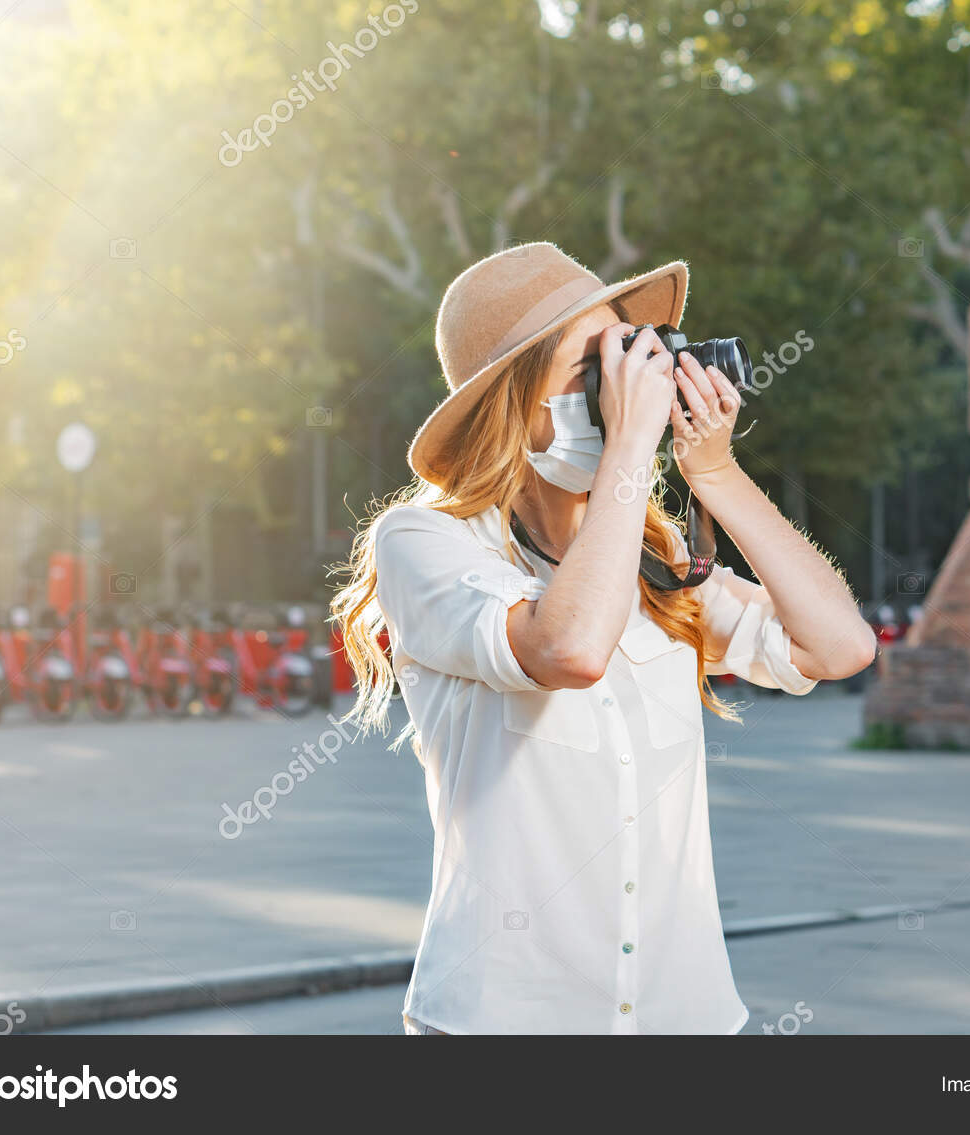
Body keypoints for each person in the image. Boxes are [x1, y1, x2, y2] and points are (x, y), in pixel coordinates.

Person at [331, 242, 875, 1035]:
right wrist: (628, 448)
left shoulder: (661, 561)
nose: (624, 390)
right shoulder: (425, 542)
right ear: (513, 407)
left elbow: (839, 647)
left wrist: (714, 472)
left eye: (629, 359)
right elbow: (570, 649)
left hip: (682, 1020)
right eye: (594, 372)